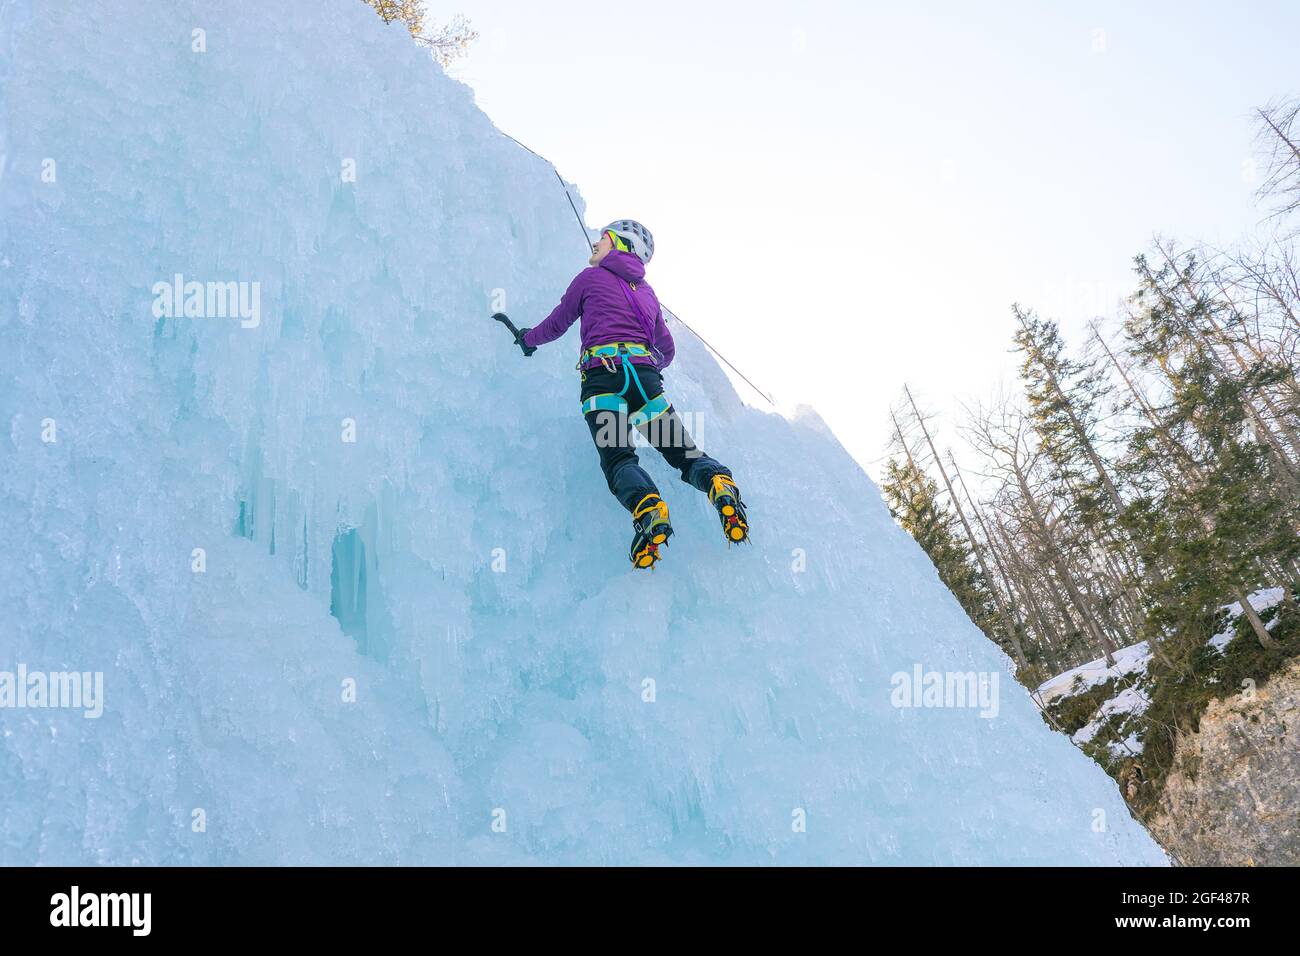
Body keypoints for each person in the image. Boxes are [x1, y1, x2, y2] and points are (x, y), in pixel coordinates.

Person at [512, 219, 748, 568]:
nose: (596, 242)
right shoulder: (648, 293)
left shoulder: (589, 279)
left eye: (604, 238)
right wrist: (646, 363)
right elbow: (666, 349)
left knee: (620, 459)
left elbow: (559, 321)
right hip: (644, 380)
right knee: (683, 454)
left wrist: (527, 339)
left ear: (622, 245)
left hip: (602, 380)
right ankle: (718, 482)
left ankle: (649, 507)